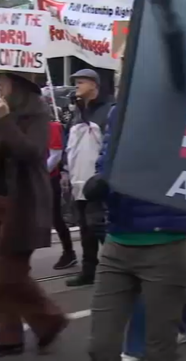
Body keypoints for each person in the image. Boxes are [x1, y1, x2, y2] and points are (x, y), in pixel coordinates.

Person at [84, 106, 186, 361]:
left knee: (159, 350)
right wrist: (98, 185)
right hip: (117, 245)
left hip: (164, 248)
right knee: (99, 348)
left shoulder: (182, 111)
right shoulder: (118, 112)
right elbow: (106, 160)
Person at [0, 69, 68, 358]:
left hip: (20, 202)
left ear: (17, 84)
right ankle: (6, 336)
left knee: (9, 273)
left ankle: (49, 318)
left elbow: (30, 152)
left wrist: (5, 121)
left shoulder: (36, 112)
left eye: (1, 80)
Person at [65, 68, 114, 287]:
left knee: (98, 225)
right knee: (85, 229)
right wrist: (67, 171)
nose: (77, 86)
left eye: (81, 82)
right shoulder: (77, 112)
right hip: (79, 179)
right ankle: (89, 270)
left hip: (97, 180)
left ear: (94, 85)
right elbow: (72, 145)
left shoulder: (108, 111)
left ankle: (120, 266)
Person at [48, 111, 77, 270]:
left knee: (56, 217)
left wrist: (39, 173)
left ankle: (69, 252)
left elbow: (55, 156)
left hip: (48, 178)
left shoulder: (52, 127)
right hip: (38, 177)